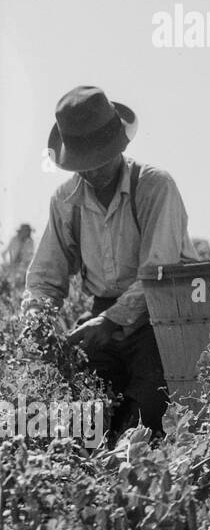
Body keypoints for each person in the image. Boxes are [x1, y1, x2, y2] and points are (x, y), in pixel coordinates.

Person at [22, 86, 197, 441]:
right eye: (84, 160)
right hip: (102, 316)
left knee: (148, 416)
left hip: (161, 316)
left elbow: (158, 275)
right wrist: (36, 324)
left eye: (100, 156)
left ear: (120, 145)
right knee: (83, 417)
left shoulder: (154, 186)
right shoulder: (65, 201)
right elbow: (45, 276)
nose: (93, 169)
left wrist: (109, 321)